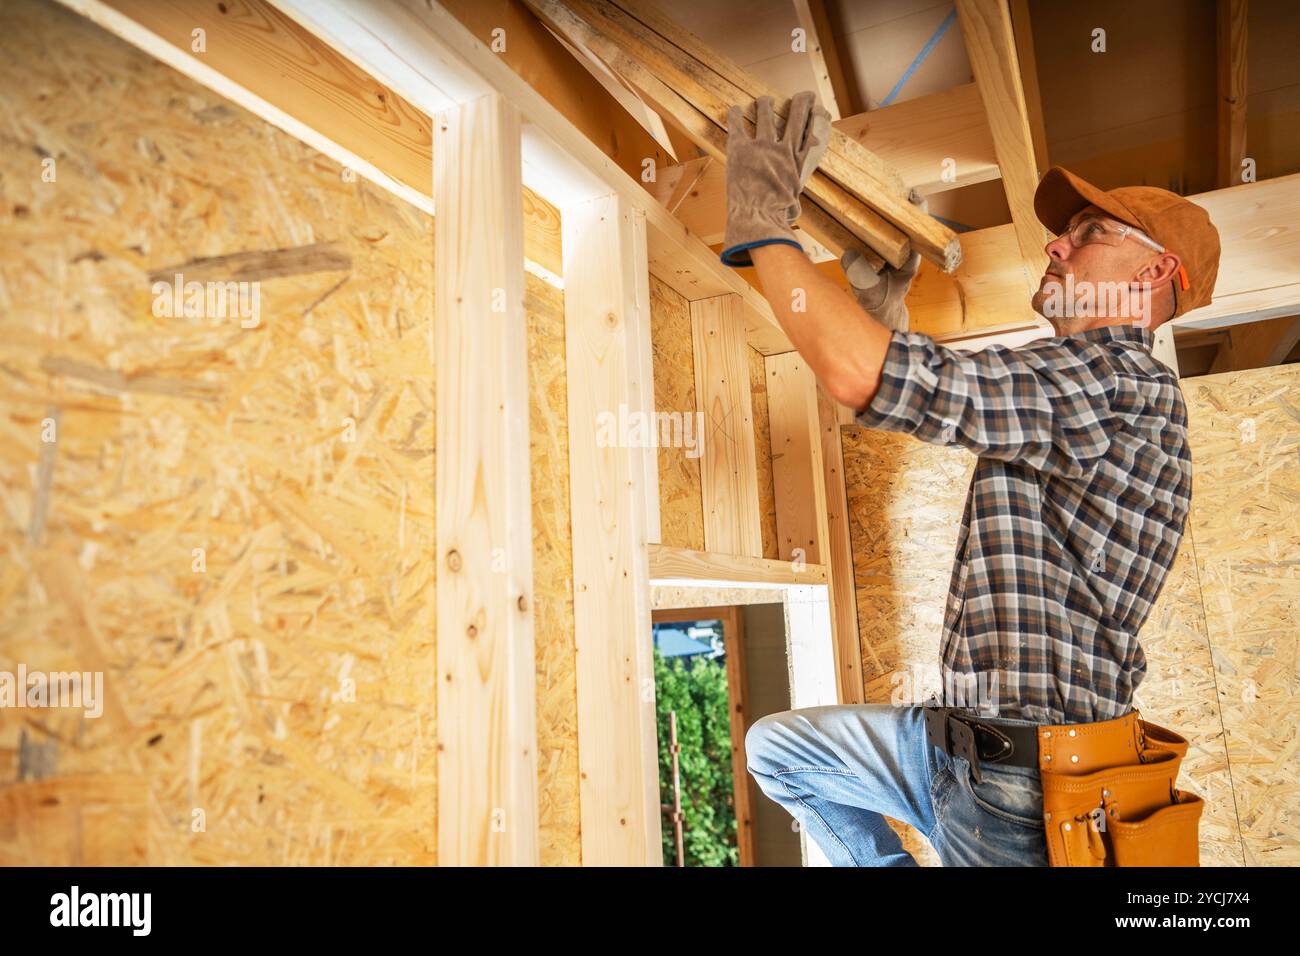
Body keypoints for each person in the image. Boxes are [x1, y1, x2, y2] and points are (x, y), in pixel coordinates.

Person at [720, 92, 1221, 866]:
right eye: (1063, 233)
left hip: (1025, 790)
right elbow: (910, 388)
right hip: (966, 748)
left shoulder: (1117, 378)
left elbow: (862, 377)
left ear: (1157, 270)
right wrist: (879, 318)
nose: (1056, 247)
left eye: (1088, 233)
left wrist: (762, 225)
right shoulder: (1078, 389)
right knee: (782, 750)